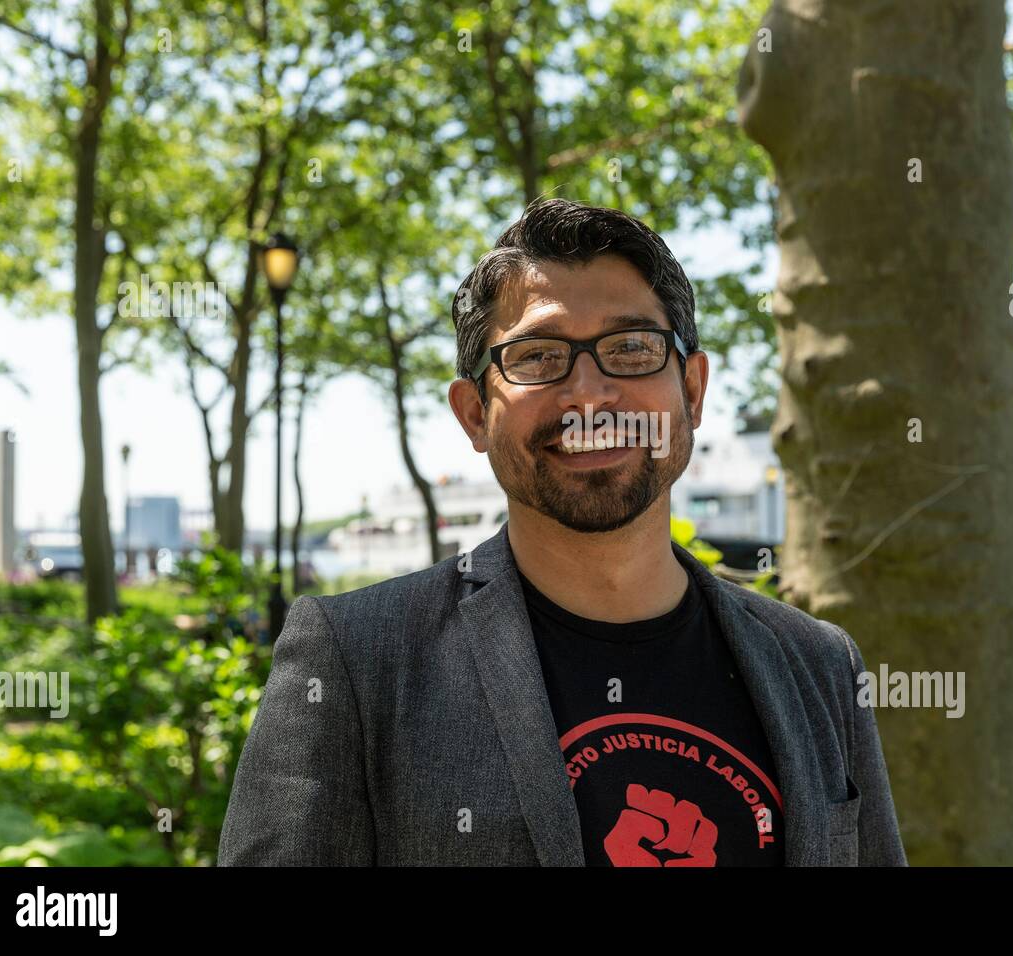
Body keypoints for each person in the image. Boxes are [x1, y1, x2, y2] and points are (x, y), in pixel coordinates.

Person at [218, 198, 907, 867]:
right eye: (540, 357)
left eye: (632, 348)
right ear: (475, 414)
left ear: (692, 392)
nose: (589, 394)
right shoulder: (356, 662)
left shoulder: (818, 664)